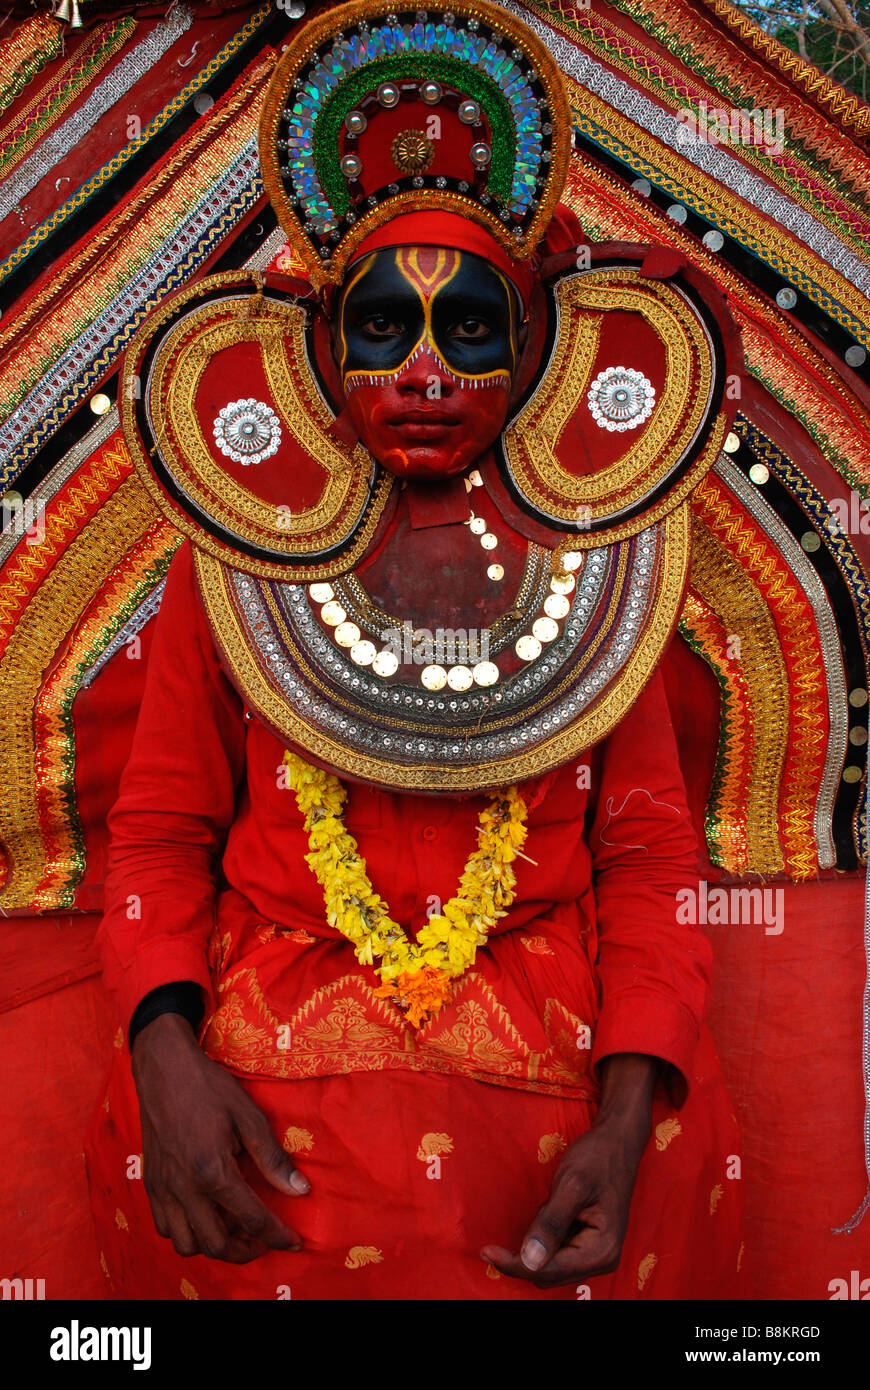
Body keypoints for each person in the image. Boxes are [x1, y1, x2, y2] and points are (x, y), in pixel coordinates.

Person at [86, 0, 744, 1301]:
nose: (429, 369)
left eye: (472, 330)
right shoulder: (237, 550)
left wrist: (625, 1115)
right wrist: (161, 1051)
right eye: (383, 328)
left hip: (566, 1130)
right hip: (252, 1116)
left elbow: (650, 853)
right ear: (322, 357)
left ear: (537, 354)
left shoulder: (602, 559)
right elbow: (159, 830)